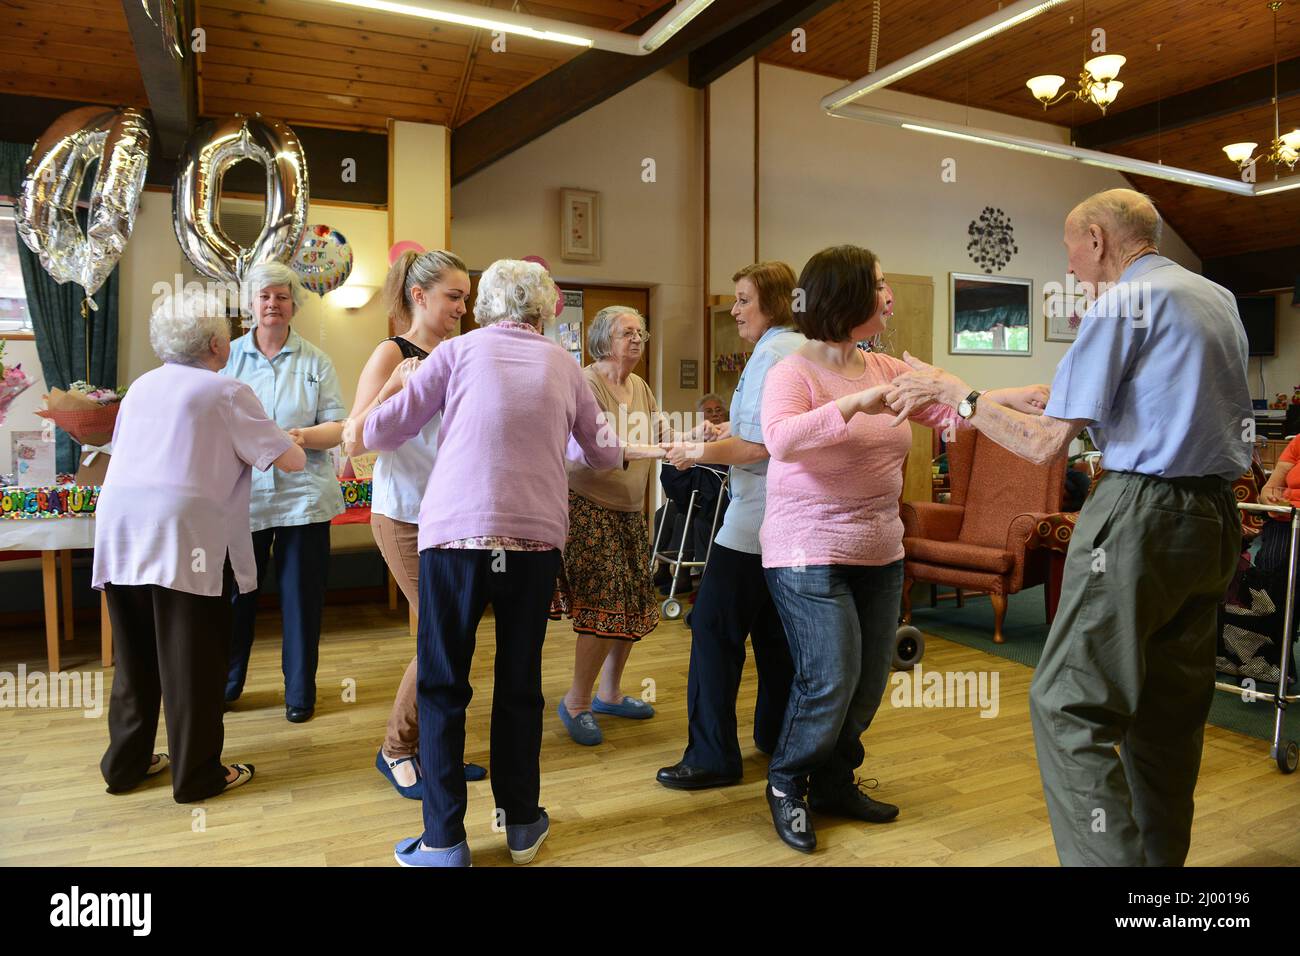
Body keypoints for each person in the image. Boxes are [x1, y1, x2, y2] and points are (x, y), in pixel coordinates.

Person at [886, 188, 1253, 866]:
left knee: (1066, 705)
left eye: (1069, 250)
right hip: (1213, 519)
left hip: (1141, 514)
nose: (1071, 266)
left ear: (1097, 238)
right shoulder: (1215, 297)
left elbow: (1041, 446)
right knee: (1168, 717)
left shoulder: (1118, 303)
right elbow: (1158, 398)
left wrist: (954, 393)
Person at [358, 259, 664, 867]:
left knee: (444, 683)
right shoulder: (563, 365)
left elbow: (381, 433)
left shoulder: (458, 352)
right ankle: (522, 825)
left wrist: (393, 392)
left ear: (487, 306)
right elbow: (602, 451)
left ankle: (444, 841)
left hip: (455, 538)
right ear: (547, 309)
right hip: (533, 542)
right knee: (519, 685)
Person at [756, 245, 972, 853]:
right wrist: (849, 405)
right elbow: (780, 440)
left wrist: (1010, 400)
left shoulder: (883, 368)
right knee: (830, 675)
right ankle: (787, 782)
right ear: (847, 296)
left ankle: (833, 777)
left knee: (871, 679)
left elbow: (952, 410)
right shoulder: (792, 372)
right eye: (878, 285)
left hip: (880, 549)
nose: (889, 295)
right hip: (807, 548)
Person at [93, 289, 305, 802]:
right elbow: (289, 461)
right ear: (215, 343)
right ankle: (197, 776)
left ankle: (126, 765)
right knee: (194, 663)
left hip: (121, 531)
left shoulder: (142, 386)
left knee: (136, 656)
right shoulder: (225, 391)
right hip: (183, 538)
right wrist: (292, 437)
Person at [342, 249, 486, 796]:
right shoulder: (391, 351)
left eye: (466, 297)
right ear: (418, 297)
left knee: (456, 634)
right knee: (438, 634)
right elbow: (356, 434)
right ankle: (396, 748)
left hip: (454, 513)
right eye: (453, 296)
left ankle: (437, 749)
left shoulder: (458, 353)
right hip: (403, 513)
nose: (462, 306)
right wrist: (396, 385)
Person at [655, 262, 803, 791]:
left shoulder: (771, 354)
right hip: (783, 521)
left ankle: (714, 755)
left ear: (775, 302)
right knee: (772, 634)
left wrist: (697, 450)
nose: (735, 309)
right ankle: (775, 734)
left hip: (755, 518)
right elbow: (762, 430)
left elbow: (760, 445)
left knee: (713, 630)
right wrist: (724, 430)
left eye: (744, 299)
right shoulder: (795, 348)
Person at [222, 261, 347, 723]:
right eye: (264, 296)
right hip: (242, 501)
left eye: (281, 296)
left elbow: (339, 426)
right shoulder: (227, 358)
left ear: (295, 304)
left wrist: (301, 439)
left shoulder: (316, 360)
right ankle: (228, 686)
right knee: (236, 601)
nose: (273, 304)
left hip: (304, 501)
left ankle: (300, 695)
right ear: (250, 305)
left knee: (301, 603)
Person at [553, 306, 669, 745]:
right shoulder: (585, 382)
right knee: (602, 603)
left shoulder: (638, 385)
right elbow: (599, 446)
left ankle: (610, 693)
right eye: (627, 332)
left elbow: (657, 428)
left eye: (641, 332)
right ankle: (577, 702)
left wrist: (690, 438)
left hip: (628, 510)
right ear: (603, 339)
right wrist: (657, 452)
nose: (637, 339)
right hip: (587, 507)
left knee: (635, 600)